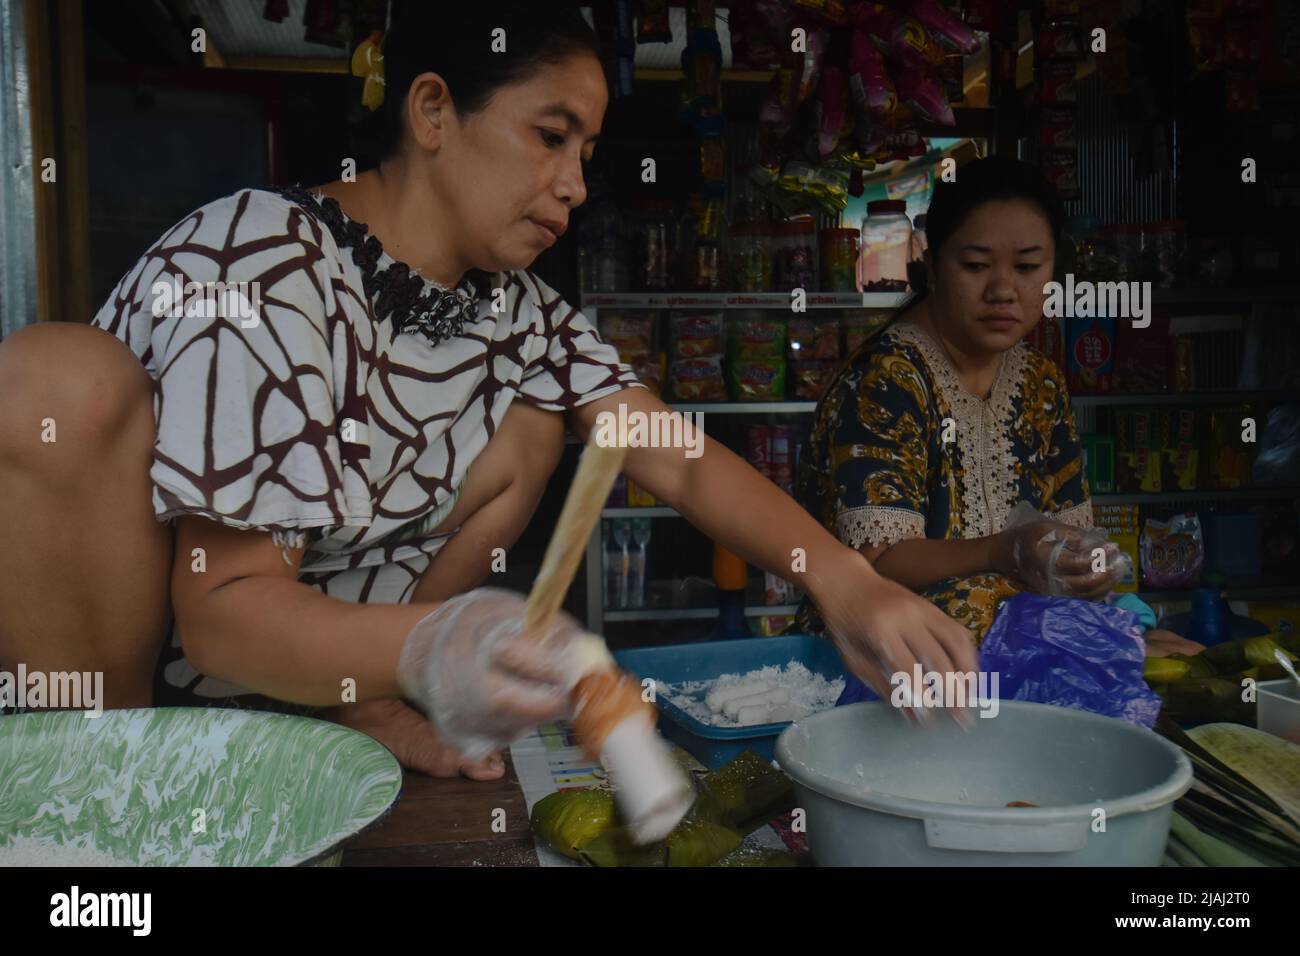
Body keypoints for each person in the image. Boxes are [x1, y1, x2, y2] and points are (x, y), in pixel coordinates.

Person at [0, 1, 975, 778]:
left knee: (535, 421)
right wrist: (444, 640)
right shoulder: (258, 257)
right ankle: (104, 775)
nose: (574, 184)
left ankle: (356, 697)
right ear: (431, 112)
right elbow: (222, 611)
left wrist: (841, 578)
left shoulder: (513, 312)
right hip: (174, 673)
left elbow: (669, 457)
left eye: (586, 153)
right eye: (549, 136)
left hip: (320, 660)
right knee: (56, 380)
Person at [797, 156, 1125, 653]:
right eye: (974, 266)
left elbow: (1069, 533)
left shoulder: (1040, 382)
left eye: (1028, 267)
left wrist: (1084, 570)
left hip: (1007, 662)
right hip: (879, 664)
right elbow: (874, 562)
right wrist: (1005, 550)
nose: (1002, 290)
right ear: (931, 266)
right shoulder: (887, 379)